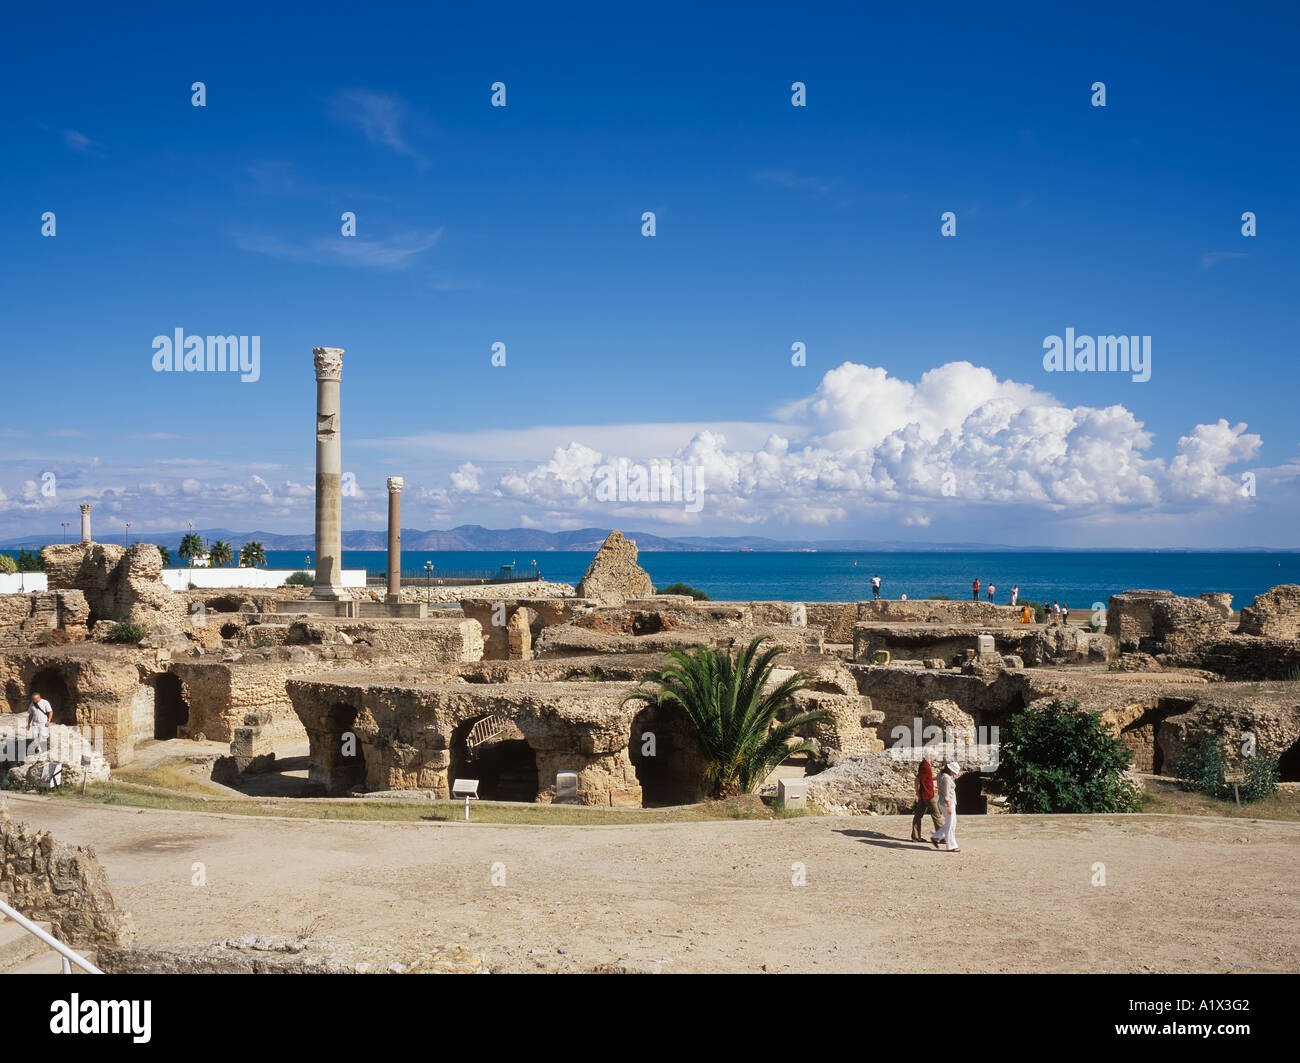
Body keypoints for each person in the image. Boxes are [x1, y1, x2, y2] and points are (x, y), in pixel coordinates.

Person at [910, 753, 943, 842]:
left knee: (918, 815)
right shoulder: (925, 766)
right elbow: (917, 779)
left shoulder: (925, 765)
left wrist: (938, 777)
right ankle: (942, 837)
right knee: (937, 815)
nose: (935, 757)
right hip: (928, 795)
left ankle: (916, 836)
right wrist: (917, 792)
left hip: (923, 794)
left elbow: (927, 778)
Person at [930, 761, 961, 852]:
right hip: (947, 803)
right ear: (951, 770)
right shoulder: (947, 778)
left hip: (942, 802)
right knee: (951, 825)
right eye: (954, 772)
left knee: (950, 823)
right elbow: (947, 794)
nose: (955, 774)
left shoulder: (940, 774)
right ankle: (951, 846)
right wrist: (949, 806)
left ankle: (936, 837)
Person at [27, 690, 51, 756]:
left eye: (35, 699)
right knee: (35, 736)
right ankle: (38, 749)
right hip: (35, 722)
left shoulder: (45, 702)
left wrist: (48, 721)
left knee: (43, 735)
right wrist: (28, 724)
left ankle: (48, 742)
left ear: (39, 697)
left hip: (43, 722)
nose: (34, 700)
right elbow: (30, 714)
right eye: (33, 699)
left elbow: (50, 712)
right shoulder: (32, 704)